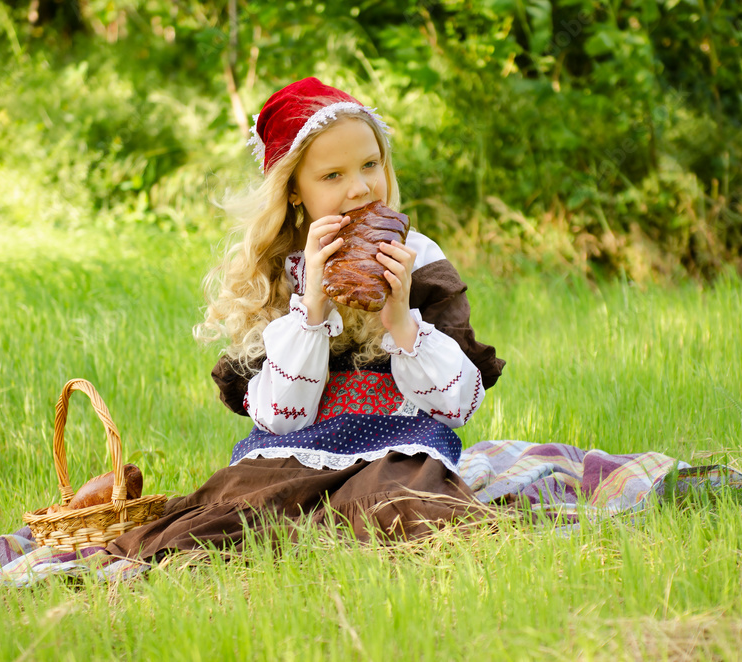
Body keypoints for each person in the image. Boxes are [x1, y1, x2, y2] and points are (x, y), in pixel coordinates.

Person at [106, 77, 505, 561]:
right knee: (241, 513)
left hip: (397, 446)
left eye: (370, 165)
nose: (360, 188)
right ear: (294, 190)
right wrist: (312, 308)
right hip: (296, 453)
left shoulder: (415, 256)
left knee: (401, 503)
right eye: (332, 176)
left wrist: (401, 320)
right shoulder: (280, 272)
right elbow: (280, 417)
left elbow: (456, 406)